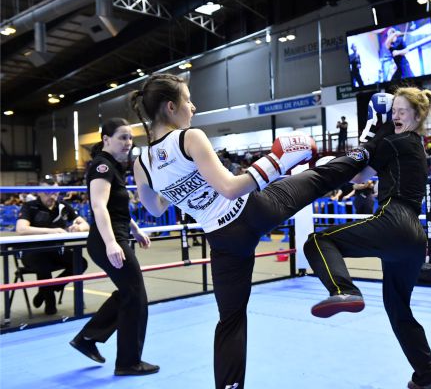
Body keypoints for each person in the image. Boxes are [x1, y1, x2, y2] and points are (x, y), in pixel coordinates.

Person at [129, 73, 390, 389]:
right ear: (171, 107)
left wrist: (169, 183)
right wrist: (276, 160)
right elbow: (229, 188)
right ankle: (370, 149)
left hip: (223, 241)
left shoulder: (141, 164)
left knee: (231, 319)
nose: (193, 107)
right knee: (319, 179)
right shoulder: (189, 138)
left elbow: (154, 209)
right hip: (250, 212)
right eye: (187, 100)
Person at [303, 87, 431, 389]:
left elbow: (353, 171)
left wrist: (371, 134)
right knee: (398, 309)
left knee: (317, 242)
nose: (394, 116)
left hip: (394, 222)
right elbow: (365, 176)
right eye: (393, 110)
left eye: (401, 111)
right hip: (414, 238)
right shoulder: (414, 144)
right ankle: (427, 378)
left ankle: (343, 288)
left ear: (417, 116)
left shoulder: (393, 141)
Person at [70, 118, 157, 376]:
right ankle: (128, 362)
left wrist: (136, 229)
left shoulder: (113, 167)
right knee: (136, 297)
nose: (128, 143)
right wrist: (111, 243)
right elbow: (98, 206)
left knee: (128, 293)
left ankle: (87, 338)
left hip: (116, 235)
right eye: (122, 137)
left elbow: (114, 208)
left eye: (130, 138)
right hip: (107, 240)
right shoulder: (102, 166)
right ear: (106, 139)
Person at [16, 178, 90, 315]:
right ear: (39, 193)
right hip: (33, 252)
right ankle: (50, 299)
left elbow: (85, 224)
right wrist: (51, 231)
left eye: (55, 192)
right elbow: (21, 229)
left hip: (56, 251)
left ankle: (50, 289)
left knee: (80, 262)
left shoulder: (63, 206)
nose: (53, 196)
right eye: (48, 192)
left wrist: (78, 228)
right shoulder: (30, 206)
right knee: (43, 265)